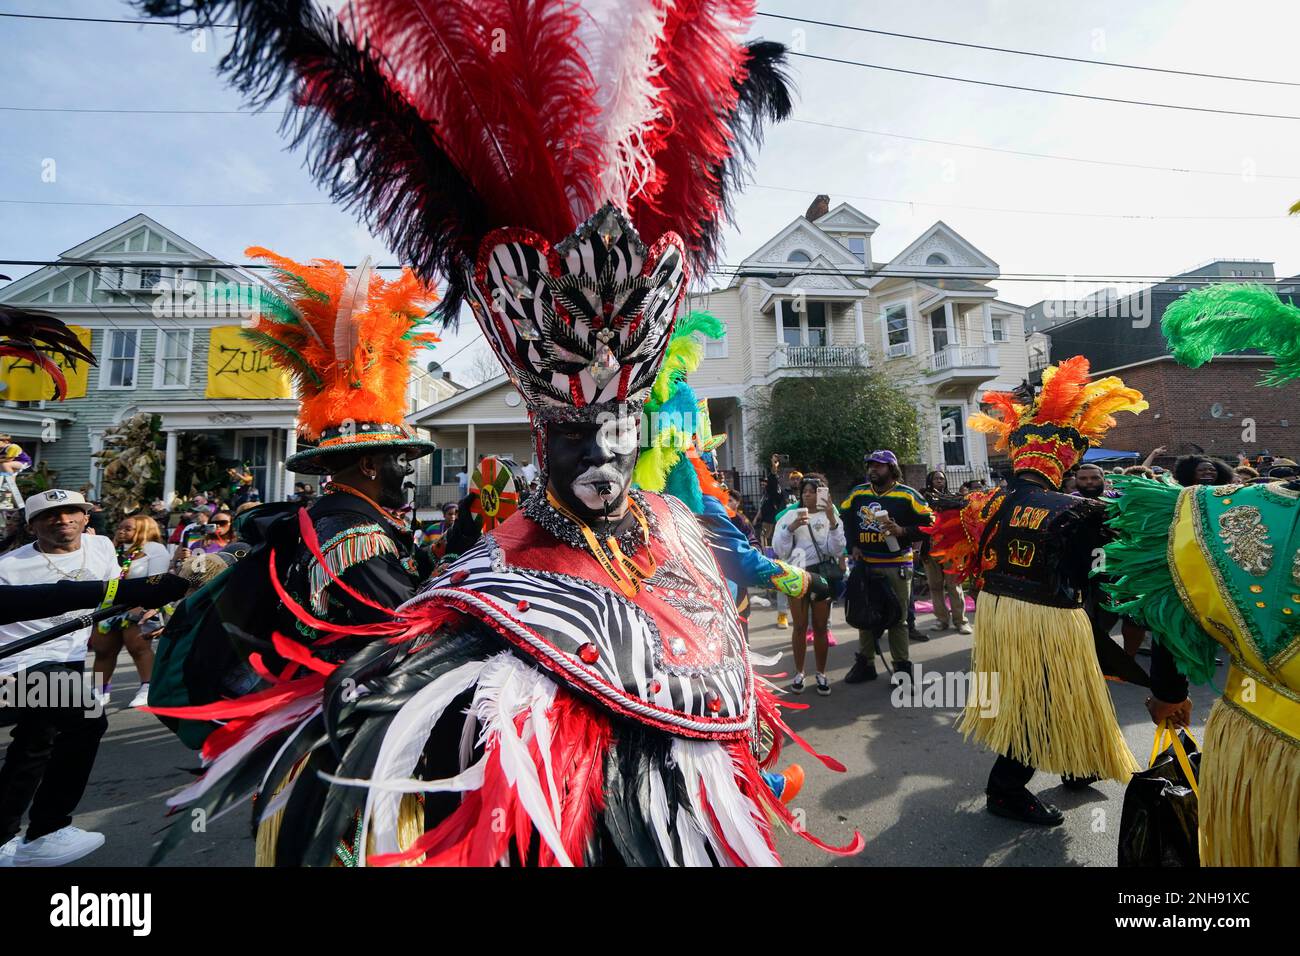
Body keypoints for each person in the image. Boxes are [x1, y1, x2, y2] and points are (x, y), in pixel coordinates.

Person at [131, 6, 867, 865]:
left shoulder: (671, 527)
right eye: (576, 443)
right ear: (539, 443)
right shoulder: (485, 586)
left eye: (616, 440)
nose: (601, 463)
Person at [1101, 280, 1300, 865]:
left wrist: (1169, 695)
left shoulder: (1209, 515)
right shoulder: (1214, 511)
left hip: (1264, 750)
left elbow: (1173, 616)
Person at [930, 359, 1146, 826]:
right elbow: (1113, 565)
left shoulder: (982, 503)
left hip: (997, 612)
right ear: (1064, 463)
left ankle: (1075, 761)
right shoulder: (1080, 509)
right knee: (1045, 700)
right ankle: (1005, 789)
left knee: (1047, 694)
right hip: (1049, 615)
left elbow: (960, 556)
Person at [0, 490, 118, 866]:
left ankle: (10, 837)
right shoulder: (8, 568)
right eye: (50, 515)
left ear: (86, 517)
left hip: (67, 658)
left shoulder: (101, 547)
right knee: (87, 719)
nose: (62, 520)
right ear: (33, 525)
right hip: (18, 665)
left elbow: (112, 591)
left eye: (71, 512)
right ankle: (48, 828)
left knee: (35, 744)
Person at [840, 450, 933, 683]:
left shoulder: (908, 495)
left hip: (897, 564)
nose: (873, 469)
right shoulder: (858, 493)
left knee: (898, 619)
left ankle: (902, 669)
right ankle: (866, 664)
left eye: (879, 466)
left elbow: (931, 524)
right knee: (866, 615)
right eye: (870, 465)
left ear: (891, 469)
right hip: (867, 564)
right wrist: (852, 545)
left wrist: (903, 532)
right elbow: (846, 519)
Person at [773, 475, 844, 696]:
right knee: (800, 627)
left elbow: (837, 549)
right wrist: (791, 528)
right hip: (797, 575)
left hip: (821, 576)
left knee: (821, 627)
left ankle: (821, 673)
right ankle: (799, 672)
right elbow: (779, 549)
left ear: (822, 494)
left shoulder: (830, 516)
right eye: (805, 491)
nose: (807, 495)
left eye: (813, 491)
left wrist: (832, 520)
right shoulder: (790, 515)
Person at [90, 515, 171, 708]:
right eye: (120, 527)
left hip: (137, 606)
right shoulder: (112, 548)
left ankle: (147, 687)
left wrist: (145, 605)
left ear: (143, 530)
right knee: (103, 651)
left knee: (138, 648)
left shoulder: (154, 549)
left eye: (128, 529)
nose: (121, 531)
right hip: (109, 607)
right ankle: (99, 691)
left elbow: (156, 580)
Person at [920, 470, 969, 634]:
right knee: (934, 587)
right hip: (930, 549)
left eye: (942, 478)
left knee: (954, 585)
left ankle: (960, 621)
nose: (940, 481)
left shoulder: (954, 499)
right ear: (930, 481)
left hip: (951, 549)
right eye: (936, 478)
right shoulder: (923, 501)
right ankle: (941, 620)